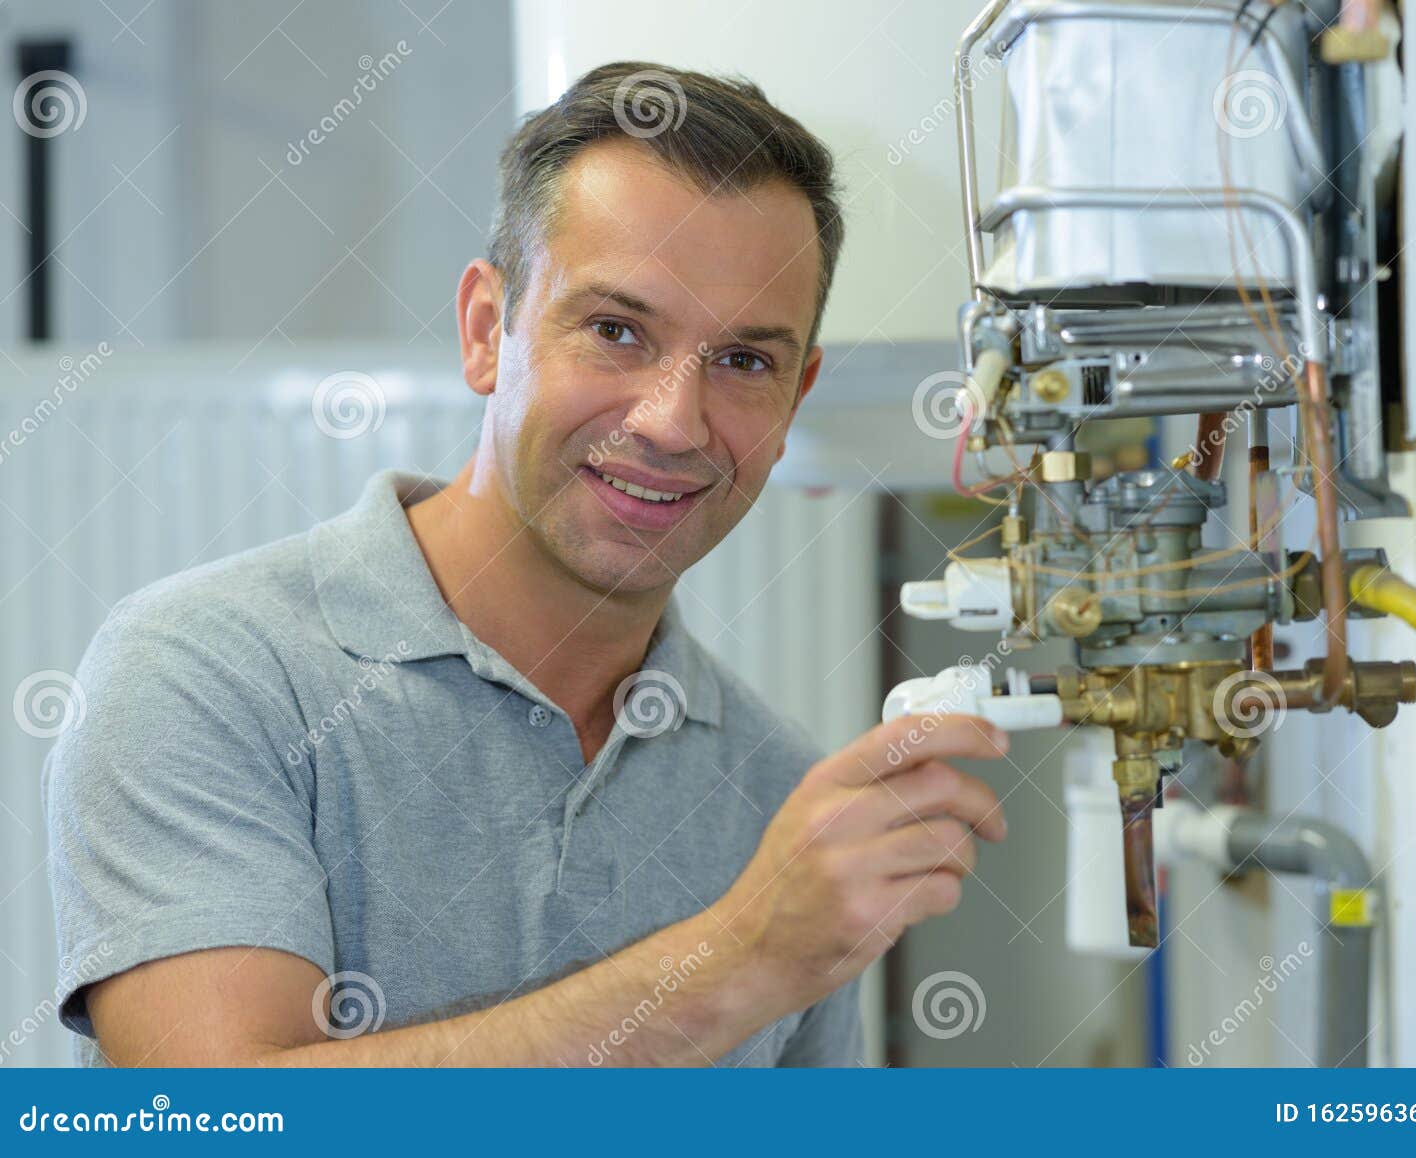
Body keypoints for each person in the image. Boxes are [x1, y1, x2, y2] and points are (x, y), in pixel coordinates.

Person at [44, 61, 1009, 1067]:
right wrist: (735, 963)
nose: (672, 422)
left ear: (796, 394)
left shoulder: (773, 791)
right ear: (483, 332)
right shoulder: (207, 673)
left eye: (743, 361)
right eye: (614, 331)